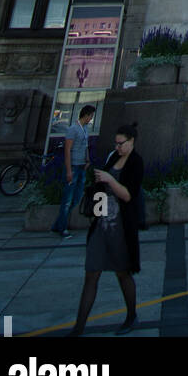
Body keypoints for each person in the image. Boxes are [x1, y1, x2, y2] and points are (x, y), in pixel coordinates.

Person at [67, 120, 143, 337]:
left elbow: (129, 195)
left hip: (120, 228)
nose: (118, 147)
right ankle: (78, 328)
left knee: (123, 274)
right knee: (91, 274)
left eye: (121, 143)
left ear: (132, 142)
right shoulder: (112, 157)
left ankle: (131, 316)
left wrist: (109, 179)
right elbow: (102, 189)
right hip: (101, 225)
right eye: (116, 143)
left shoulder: (136, 162)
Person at [51, 105, 95, 238]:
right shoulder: (73, 129)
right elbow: (67, 151)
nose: (91, 118)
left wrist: (87, 160)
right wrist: (69, 170)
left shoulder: (85, 129)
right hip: (73, 167)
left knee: (76, 198)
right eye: (91, 116)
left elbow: (86, 146)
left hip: (82, 166)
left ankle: (57, 224)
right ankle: (62, 228)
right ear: (86, 115)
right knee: (67, 200)